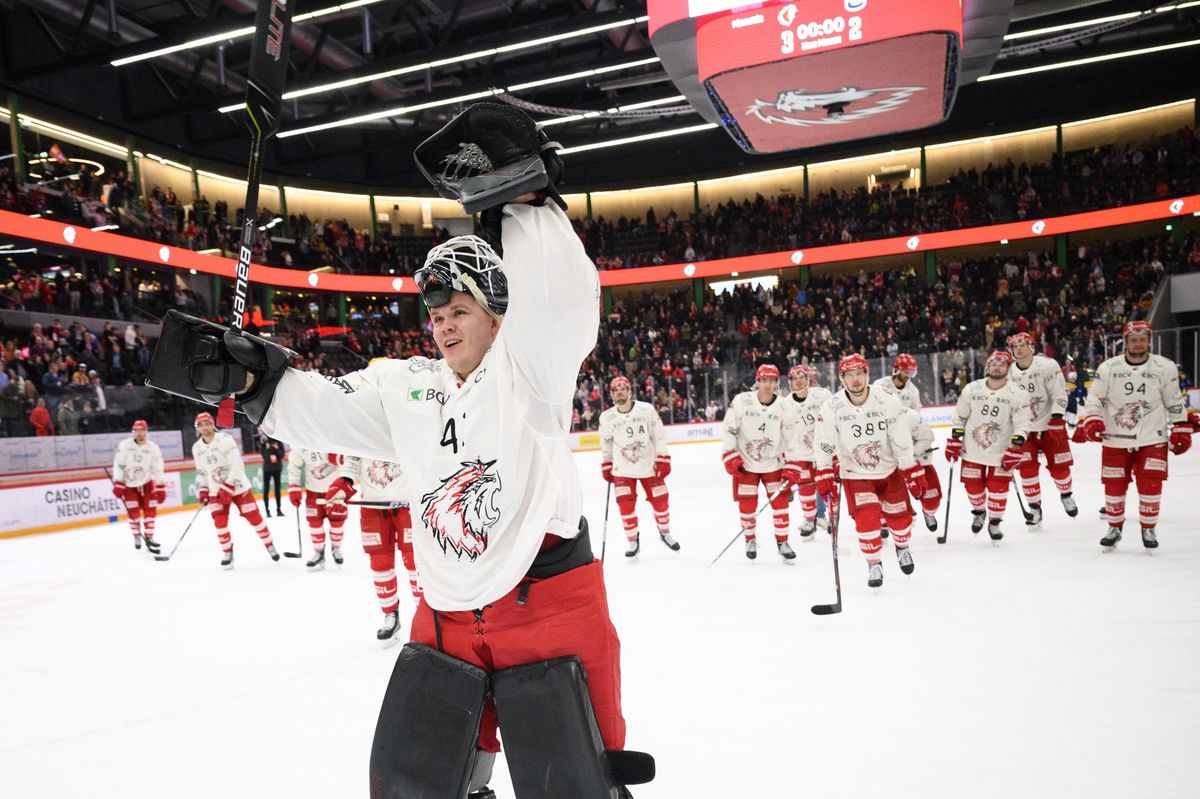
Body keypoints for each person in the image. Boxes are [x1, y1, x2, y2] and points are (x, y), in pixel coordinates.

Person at [151, 104, 645, 797]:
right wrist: (255, 381)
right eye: (437, 316)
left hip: (546, 608)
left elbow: (559, 302)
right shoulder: (407, 386)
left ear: (497, 316)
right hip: (445, 617)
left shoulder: (530, 371)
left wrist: (526, 203)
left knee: (578, 789)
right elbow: (326, 410)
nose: (444, 327)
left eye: (460, 311)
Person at [1073, 321, 1190, 550]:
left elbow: (1174, 399)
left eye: (1142, 339)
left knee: (1150, 484)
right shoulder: (1108, 367)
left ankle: (1149, 528)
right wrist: (1093, 418)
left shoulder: (1164, 366)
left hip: (1153, 437)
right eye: (1133, 339)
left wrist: (1180, 426)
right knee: (1113, 485)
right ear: (1125, 342)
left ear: (1149, 341)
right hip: (1115, 438)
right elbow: (1095, 397)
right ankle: (1114, 528)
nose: (1138, 344)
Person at [814, 353, 924, 589]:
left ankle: (902, 546)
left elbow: (900, 436)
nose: (855, 380)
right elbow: (824, 442)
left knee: (900, 520)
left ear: (867, 374)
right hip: (855, 474)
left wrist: (909, 466)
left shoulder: (886, 399)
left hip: (889, 470)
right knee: (867, 521)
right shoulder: (832, 406)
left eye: (859, 374)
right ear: (842, 378)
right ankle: (874, 563)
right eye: (849, 375)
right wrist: (824, 471)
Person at [329, 456, 420, 644]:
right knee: (380, 563)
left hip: (408, 503)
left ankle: (424, 616)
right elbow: (353, 458)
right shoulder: (361, 434)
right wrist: (345, 480)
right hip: (372, 505)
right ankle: (390, 614)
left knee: (416, 561)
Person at [943, 352, 1030, 542]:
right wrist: (955, 440)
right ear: (987, 367)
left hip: (1001, 451)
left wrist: (1016, 447)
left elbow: (1022, 423)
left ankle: (994, 522)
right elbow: (960, 416)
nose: (997, 367)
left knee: (999, 488)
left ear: (1008, 369)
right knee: (973, 487)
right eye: (993, 364)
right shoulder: (972, 389)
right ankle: (979, 512)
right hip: (972, 450)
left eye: (1002, 364)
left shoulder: (1017, 393)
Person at [721, 363, 798, 563]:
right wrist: (730, 454)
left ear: (777, 382)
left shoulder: (785, 406)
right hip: (746, 465)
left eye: (772, 381)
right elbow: (730, 429)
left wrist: (792, 465)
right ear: (757, 381)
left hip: (774, 464)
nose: (768, 384)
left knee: (780, 503)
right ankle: (750, 539)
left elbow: (792, 438)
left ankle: (783, 542)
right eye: (764, 380)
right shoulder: (742, 401)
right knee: (747, 504)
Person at [599, 375, 678, 560]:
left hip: (649, 466)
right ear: (611, 394)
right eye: (616, 390)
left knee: (661, 501)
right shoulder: (607, 417)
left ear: (629, 391)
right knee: (625, 505)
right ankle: (633, 541)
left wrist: (662, 458)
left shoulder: (646, 409)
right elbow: (606, 442)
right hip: (622, 469)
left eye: (623, 389)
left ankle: (665, 532)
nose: (620, 392)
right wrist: (607, 463)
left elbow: (659, 435)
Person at [192, 412, 279, 569]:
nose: (205, 427)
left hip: (238, 487)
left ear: (212, 424)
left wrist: (229, 486)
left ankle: (269, 544)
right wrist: (204, 489)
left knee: (255, 518)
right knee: (219, 522)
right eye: (201, 425)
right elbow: (202, 472)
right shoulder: (196, 448)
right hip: (216, 491)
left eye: (207, 423)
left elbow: (237, 465)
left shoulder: (225, 440)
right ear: (197, 428)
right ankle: (227, 552)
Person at [1007, 332, 1076, 524]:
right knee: (1027, 470)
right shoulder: (1009, 372)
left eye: (1022, 344)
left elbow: (1059, 392)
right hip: (1023, 430)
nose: (1018, 349)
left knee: (1060, 468)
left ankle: (1066, 495)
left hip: (1049, 425)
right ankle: (1035, 508)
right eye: (1015, 346)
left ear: (1031, 346)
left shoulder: (1047, 365)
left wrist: (1057, 418)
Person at [873, 353, 941, 532]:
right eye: (905, 371)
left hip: (907, 437)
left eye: (911, 371)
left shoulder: (913, 391)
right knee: (887, 484)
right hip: (885, 438)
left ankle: (929, 509)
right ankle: (886, 518)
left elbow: (916, 417)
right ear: (896, 369)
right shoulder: (880, 385)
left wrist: (912, 449)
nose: (909, 375)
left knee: (925, 483)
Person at [781, 364, 831, 539]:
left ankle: (831, 517)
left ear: (808, 378)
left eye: (801, 377)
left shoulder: (822, 395)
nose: (798, 381)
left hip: (824, 452)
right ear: (790, 381)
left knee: (828, 486)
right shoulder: (785, 404)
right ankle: (810, 520)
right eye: (794, 378)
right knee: (805, 489)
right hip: (801, 454)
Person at [288, 447, 348, 570]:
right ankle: (318, 552)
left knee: (337, 522)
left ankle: (336, 548)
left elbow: (351, 456)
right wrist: (294, 485)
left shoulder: (331, 435)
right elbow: (294, 464)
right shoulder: (299, 441)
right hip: (313, 490)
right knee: (314, 522)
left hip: (336, 488)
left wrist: (341, 455)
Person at [111, 419, 166, 553]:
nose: (139, 433)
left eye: (142, 430)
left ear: (146, 431)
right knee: (133, 512)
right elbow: (118, 465)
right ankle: (136, 535)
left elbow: (158, 468)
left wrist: (160, 486)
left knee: (150, 511)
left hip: (146, 483)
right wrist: (118, 482)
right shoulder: (125, 446)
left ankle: (149, 536)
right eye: (136, 431)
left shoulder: (153, 448)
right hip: (129, 485)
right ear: (133, 432)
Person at [260, 437, 286, 516]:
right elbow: (266, 458)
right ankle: (267, 511)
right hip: (267, 470)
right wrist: (267, 449)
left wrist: (277, 448)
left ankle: (279, 510)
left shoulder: (278, 443)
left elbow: (282, 455)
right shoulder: (264, 444)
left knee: (277, 490)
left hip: (277, 469)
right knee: (266, 490)